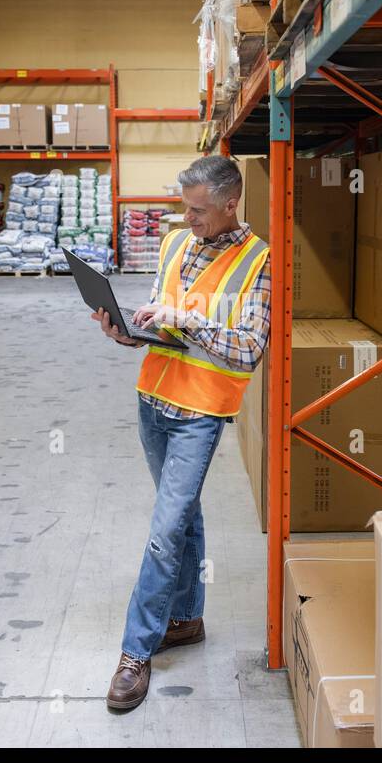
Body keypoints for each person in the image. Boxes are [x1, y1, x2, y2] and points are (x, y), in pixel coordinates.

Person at [90, 155, 271, 711]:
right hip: (153, 397)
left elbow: (248, 348)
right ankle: (187, 619)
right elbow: (163, 320)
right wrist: (129, 330)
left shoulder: (258, 259)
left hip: (201, 409)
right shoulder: (175, 244)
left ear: (230, 203)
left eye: (197, 211)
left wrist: (188, 319)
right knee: (184, 514)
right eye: (184, 208)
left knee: (165, 529)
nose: (187, 219)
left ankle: (135, 652)